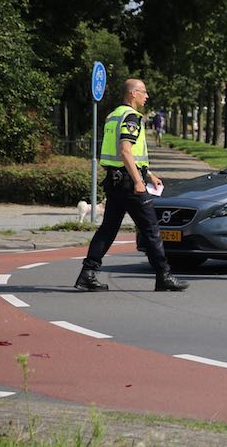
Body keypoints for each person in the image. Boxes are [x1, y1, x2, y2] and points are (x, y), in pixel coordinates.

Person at [75, 80, 188, 292]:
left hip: (115, 180)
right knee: (151, 229)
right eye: (144, 92)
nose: (147, 97)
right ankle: (164, 276)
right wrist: (138, 181)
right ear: (133, 93)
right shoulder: (131, 117)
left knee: (107, 229)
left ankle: (87, 274)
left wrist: (149, 175)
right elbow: (125, 150)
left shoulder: (113, 115)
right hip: (129, 183)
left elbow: (128, 154)